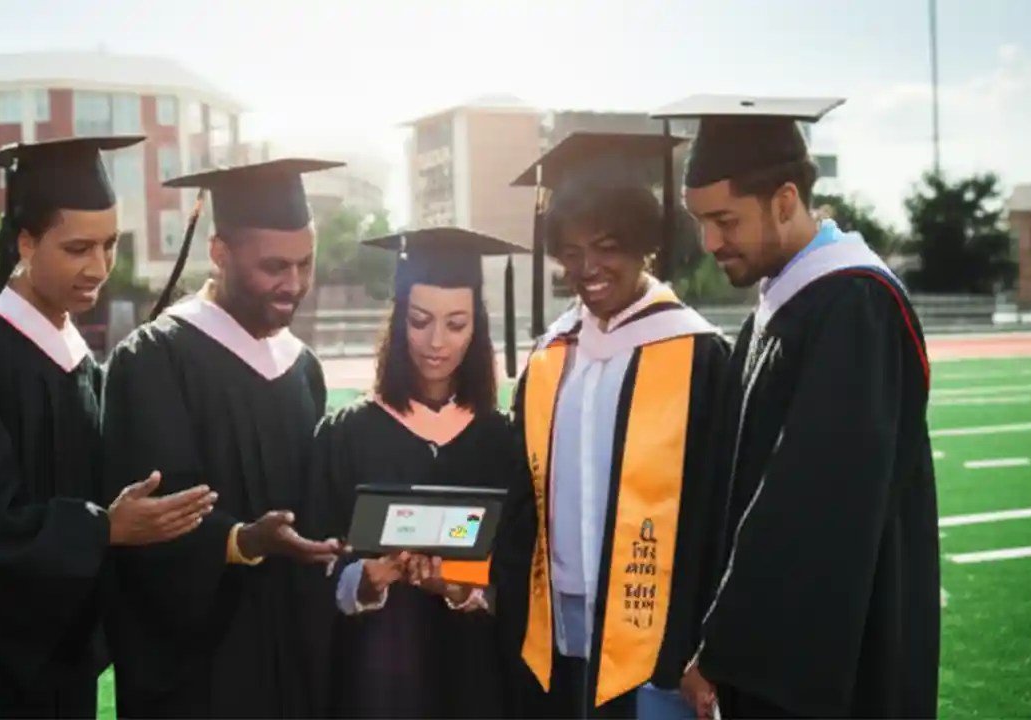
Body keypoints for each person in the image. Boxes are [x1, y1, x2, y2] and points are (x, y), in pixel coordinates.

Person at [0, 136, 216, 719]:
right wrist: (102, 530)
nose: (100, 268)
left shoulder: (81, 363)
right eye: (78, 248)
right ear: (25, 243)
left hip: (56, 668)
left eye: (110, 245)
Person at [651, 94, 940, 718]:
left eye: (725, 221)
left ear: (785, 201)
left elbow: (810, 509)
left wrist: (726, 649)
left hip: (834, 666)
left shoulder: (855, 307)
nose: (709, 242)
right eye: (699, 222)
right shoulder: (779, 307)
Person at [100, 158, 350, 718]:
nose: (293, 284)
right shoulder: (154, 359)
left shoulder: (302, 367)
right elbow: (154, 521)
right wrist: (241, 540)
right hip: (202, 671)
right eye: (273, 266)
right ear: (219, 253)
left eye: (305, 264)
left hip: (295, 653)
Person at [498, 131, 732, 719]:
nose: (588, 268)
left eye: (606, 247)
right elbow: (524, 497)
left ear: (642, 244)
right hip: (557, 624)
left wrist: (708, 641)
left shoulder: (695, 354)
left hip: (660, 632)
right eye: (571, 253)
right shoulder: (553, 355)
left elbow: (718, 509)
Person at [302, 227, 527, 718]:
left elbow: (522, 571)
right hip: (374, 685)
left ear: (478, 327)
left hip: (475, 682)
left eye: (457, 323)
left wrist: (459, 587)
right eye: (420, 320)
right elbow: (312, 563)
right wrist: (364, 580)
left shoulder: (503, 441)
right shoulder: (346, 435)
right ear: (398, 318)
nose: (436, 342)